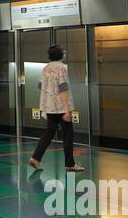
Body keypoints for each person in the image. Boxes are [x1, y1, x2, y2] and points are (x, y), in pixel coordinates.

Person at [28, 44, 86, 173]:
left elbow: (40, 85)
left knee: (48, 133)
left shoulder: (45, 68)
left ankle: (35, 158)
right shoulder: (62, 68)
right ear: (61, 55)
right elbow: (63, 88)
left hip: (49, 107)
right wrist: (66, 110)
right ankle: (70, 164)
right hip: (61, 107)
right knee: (68, 135)